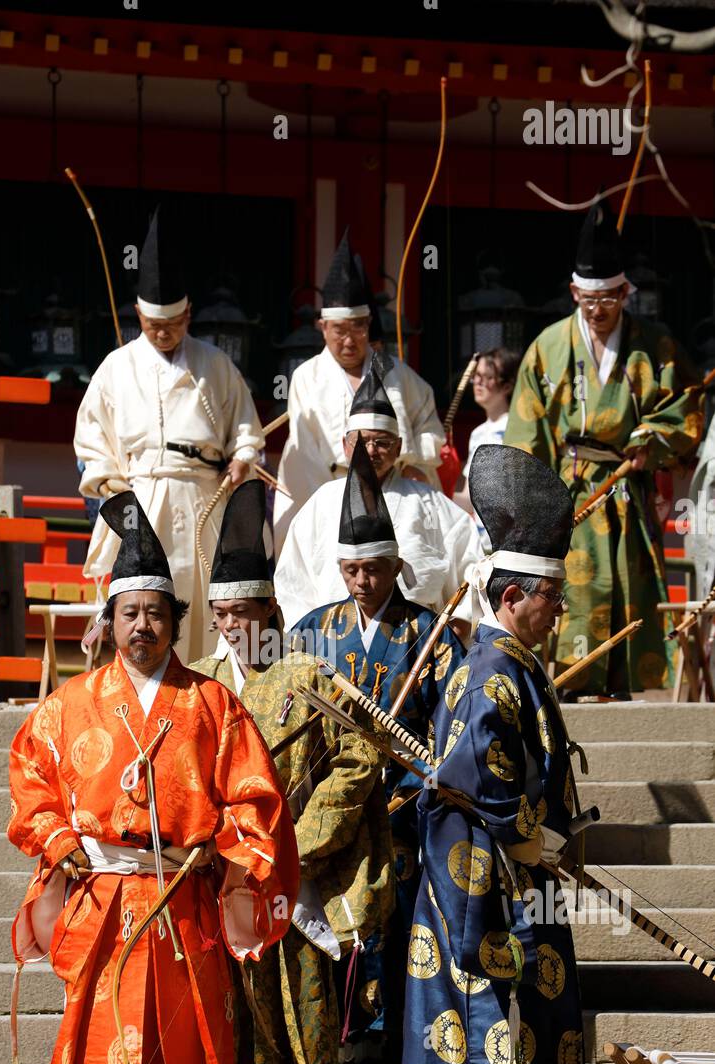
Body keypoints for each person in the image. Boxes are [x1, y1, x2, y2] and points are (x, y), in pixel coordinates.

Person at [7, 490, 299, 1064]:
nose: (143, 626)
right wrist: (61, 840)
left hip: (184, 888)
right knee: (104, 1021)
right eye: (130, 613)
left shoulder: (213, 704)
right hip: (106, 889)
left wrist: (223, 844)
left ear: (175, 623)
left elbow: (256, 795)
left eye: (156, 613)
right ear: (109, 623)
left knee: (187, 1025)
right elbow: (32, 781)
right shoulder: (67, 706)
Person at [396, 442, 589, 1064]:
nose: (559, 608)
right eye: (549, 595)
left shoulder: (507, 664)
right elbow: (478, 778)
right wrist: (529, 833)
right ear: (511, 596)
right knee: (504, 1016)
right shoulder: (490, 674)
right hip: (491, 881)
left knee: (528, 1016)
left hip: (518, 871)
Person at [192, 480, 394, 1064]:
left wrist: (295, 845)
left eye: (243, 613)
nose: (231, 628)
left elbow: (358, 759)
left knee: (288, 1008)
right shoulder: (201, 688)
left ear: (270, 611)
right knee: (229, 1007)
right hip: (222, 872)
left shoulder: (312, 676)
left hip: (287, 873)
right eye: (220, 615)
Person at [291, 439, 465, 1061]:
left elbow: (453, 718)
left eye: (373, 570)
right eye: (351, 571)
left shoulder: (429, 632)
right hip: (335, 801)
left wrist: (425, 773)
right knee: (339, 908)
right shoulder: (312, 632)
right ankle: (344, 1027)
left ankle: (397, 1024)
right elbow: (291, 718)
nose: (362, 583)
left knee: (394, 908)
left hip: (403, 799)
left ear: (396, 566)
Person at [504, 197, 704, 696]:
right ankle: (574, 684)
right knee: (576, 586)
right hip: (572, 491)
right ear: (574, 292)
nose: (599, 309)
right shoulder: (548, 348)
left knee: (630, 587)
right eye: (590, 299)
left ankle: (628, 684)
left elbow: (686, 405)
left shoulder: (653, 345)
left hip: (628, 487)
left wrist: (650, 441)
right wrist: (535, 506)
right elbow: (528, 433)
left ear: (625, 292)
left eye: (611, 298)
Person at [74, 206, 264, 662]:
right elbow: (91, 440)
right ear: (138, 314)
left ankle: (200, 689)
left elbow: (246, 427)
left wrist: (242, 455)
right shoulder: (116, 367)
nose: (162, 334)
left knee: (201, 607)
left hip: (203, 497)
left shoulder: (215, 364)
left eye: (172, 324)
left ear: (189, 315)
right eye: (152, 325)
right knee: (142, 599)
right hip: (142, 498)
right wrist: (114, 491)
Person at [272, 228, 444, 549]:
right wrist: (328, 504)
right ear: (322, 327)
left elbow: (431, 433)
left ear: (368, 326)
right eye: (339, 330)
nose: (349, 340)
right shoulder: (307, 377)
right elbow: (305, 455)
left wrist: (409, 459)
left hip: (396, 493)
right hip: (332, 492)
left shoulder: (401, 376)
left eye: (357, 328)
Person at [274, 365, 482, 630]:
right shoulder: (321, 502)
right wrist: (307, 636)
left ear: (398, 447)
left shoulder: (431, 502)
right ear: (344, 446)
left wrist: (461, 619)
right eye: (361, 441)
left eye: (382, 442)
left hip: (415, 644)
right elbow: (292, 580)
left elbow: (472, 567)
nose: (370, 450)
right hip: (331, 641)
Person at [454, 346, 520, 524]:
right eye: (476, 376)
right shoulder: (478, 433)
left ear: (507, 385)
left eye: (488, 377)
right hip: (480, 538)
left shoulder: (516, 429)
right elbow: (470, 500)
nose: (478, 382)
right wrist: (437, 488)